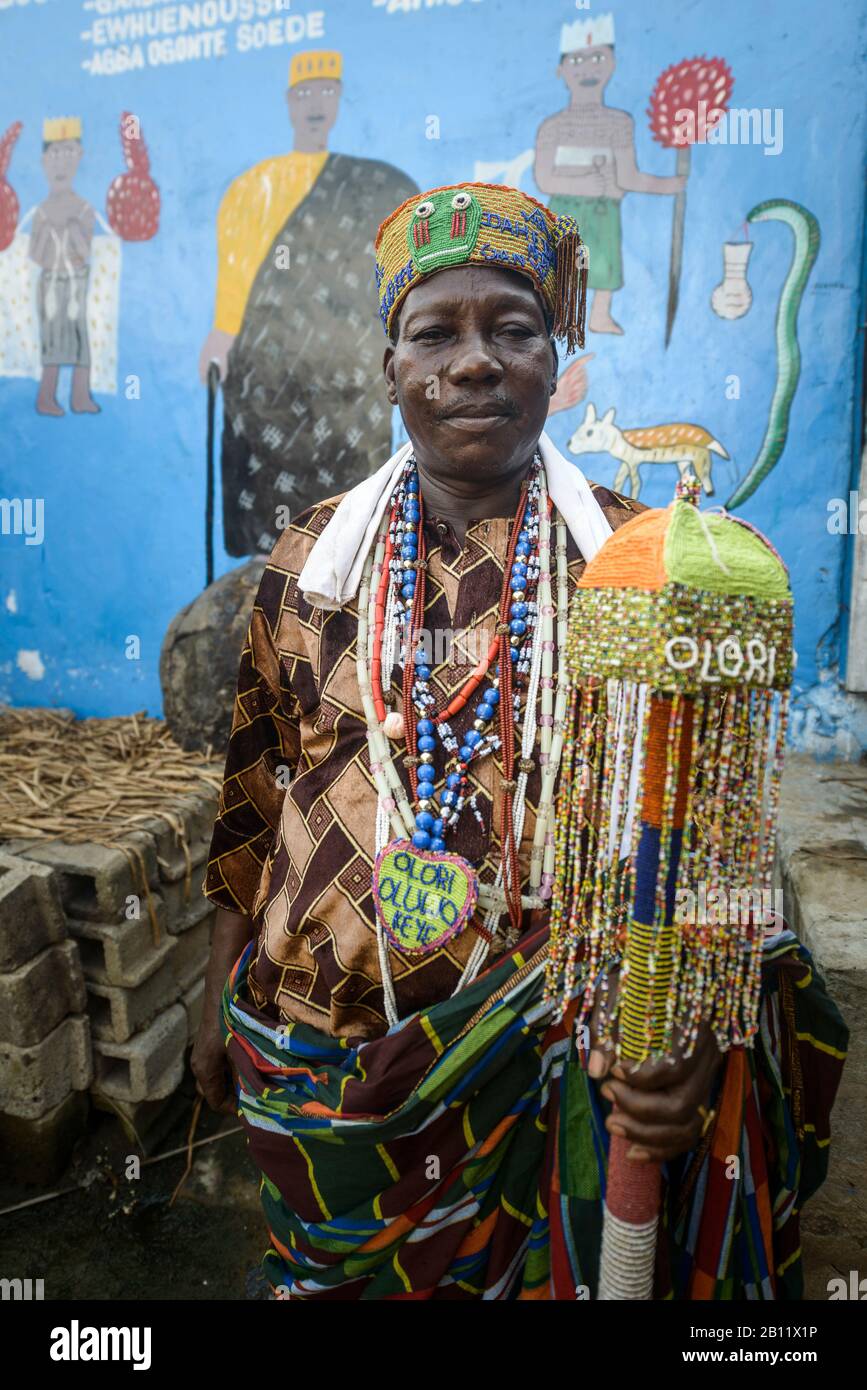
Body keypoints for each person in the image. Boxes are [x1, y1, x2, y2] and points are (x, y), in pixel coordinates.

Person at [193, 181, 846, 1300]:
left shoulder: (644, 573)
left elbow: (712, 841)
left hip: (559, 1068)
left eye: (513, 326)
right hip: (322, 1061)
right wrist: (212, 992)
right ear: (391, 362)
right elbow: (253, 792)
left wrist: (685, 1032)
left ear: (559, 354)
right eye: (434, 331)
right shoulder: (306, 563)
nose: (476, 360)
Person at [198, 49, 417, 556]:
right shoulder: (254, 187)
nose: (315, 103)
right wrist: (221, 334)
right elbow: (235, 268)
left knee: (349, 518)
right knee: (269, 511)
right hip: (266, 375)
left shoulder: (378, 184)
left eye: (326, 92)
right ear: (289, 103)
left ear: (339, 100)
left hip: (348, 378)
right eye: (304, 93)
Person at [534, 14, 685, 335]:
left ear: (613, 63)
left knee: (604, 266)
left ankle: (600, 314)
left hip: (604, 213)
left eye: (598, 57)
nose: (588, 68)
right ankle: (559, 317)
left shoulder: (619, 123)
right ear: (561, 70)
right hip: (564, 212)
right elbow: (545, 179)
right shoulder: (552, 127)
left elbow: (629, 176)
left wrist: (671, 185)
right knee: (562, 267)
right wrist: (586, 183)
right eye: (577, 60)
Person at [29, 117, 99, 416]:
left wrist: (73, 235)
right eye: (55, 155)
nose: (60, 163)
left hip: (76, 285)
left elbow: (85, 254)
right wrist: (46, 234)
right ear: (44, 161)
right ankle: (46, 397)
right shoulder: (41, 212)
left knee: (80, 341)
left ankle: (79, 396)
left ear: (79, 157)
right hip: (51, 285)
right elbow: (36, 256)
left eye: (68, 153)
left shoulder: (84, 209)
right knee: (52, 341)